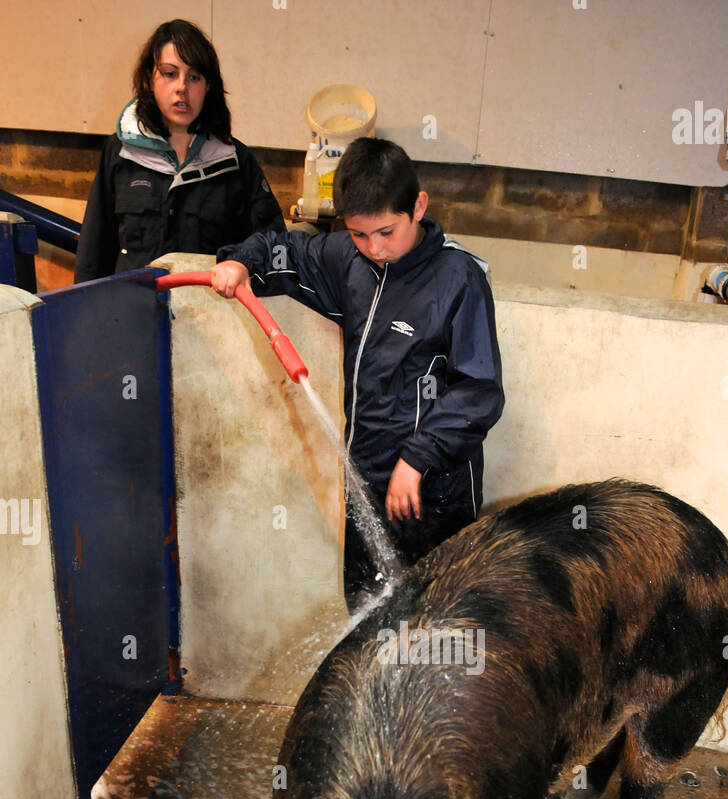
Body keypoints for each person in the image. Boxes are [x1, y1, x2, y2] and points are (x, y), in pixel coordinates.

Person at [211, 137, 504, 611]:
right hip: (366, 478)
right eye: (359, 234)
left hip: (435, 493)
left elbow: (479, 391)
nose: (375, 248)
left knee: (434, 622)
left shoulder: (458, 278)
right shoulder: (350, 261)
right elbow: (283, 248)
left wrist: (417, 460)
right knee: (367, 620)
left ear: (419, 206)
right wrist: (241, 261)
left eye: (387, 232)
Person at [74, 19, 284, 283]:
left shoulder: (235, 162)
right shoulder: (120, 153)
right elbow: (93, 256)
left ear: (208, 87)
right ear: (150, 79)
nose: (182, 87)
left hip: (211, 315)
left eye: (194, 77)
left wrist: (243, 263)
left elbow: (276, 244)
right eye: (170, 73)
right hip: (133, 315)